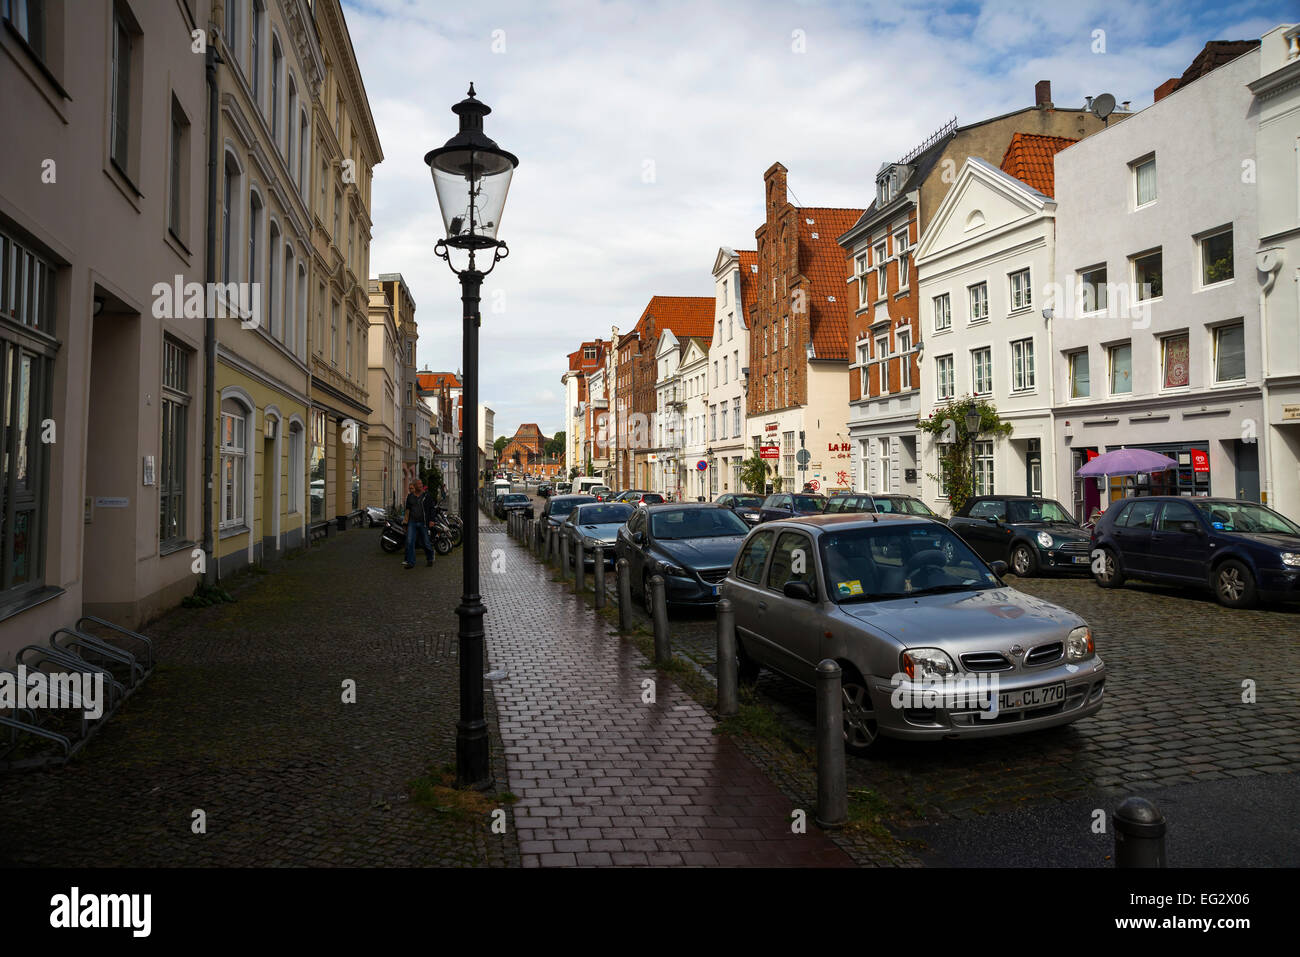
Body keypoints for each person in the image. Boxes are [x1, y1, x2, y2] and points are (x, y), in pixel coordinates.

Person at [403, 480, 433, 568]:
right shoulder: (410, 497)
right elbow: (407, 510)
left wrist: (432, 520)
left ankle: (430, 558)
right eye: (419, 484)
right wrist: (405, 523)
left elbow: (432, 508)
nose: (421, 485)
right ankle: (411, 562)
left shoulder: (426, 496)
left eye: (421, 484)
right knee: (409, 542)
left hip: (423, 522)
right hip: (412, 522)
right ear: (415, 486)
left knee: (426, 542)